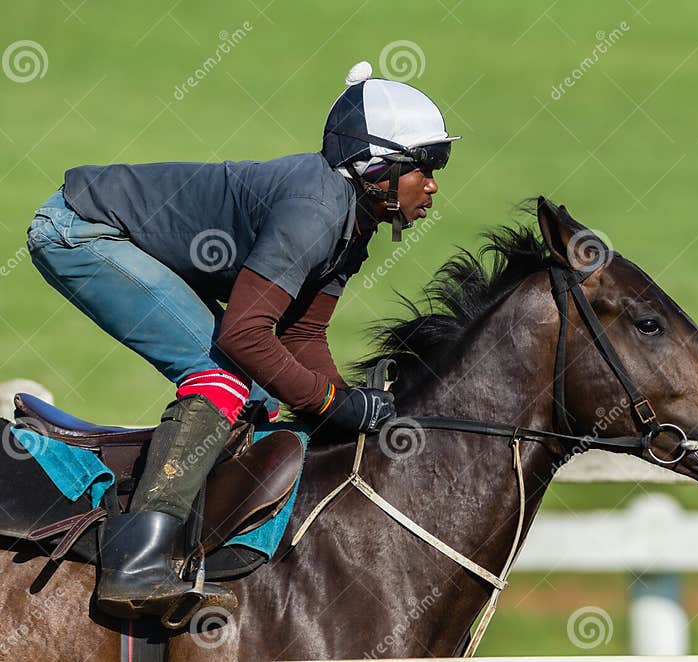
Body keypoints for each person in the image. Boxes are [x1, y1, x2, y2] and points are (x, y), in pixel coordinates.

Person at [24, 60, 458, 624]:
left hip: (114, 230)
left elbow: (301, 335)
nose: (433, 184)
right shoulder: (317, 212)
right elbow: (246, 333)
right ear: (376, 168)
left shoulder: (353, 226)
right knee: (225, 378)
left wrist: (346, 406)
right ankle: (136, 563)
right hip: (81, 232)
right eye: (424, 167)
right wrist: (333, 404)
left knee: (257, 385)